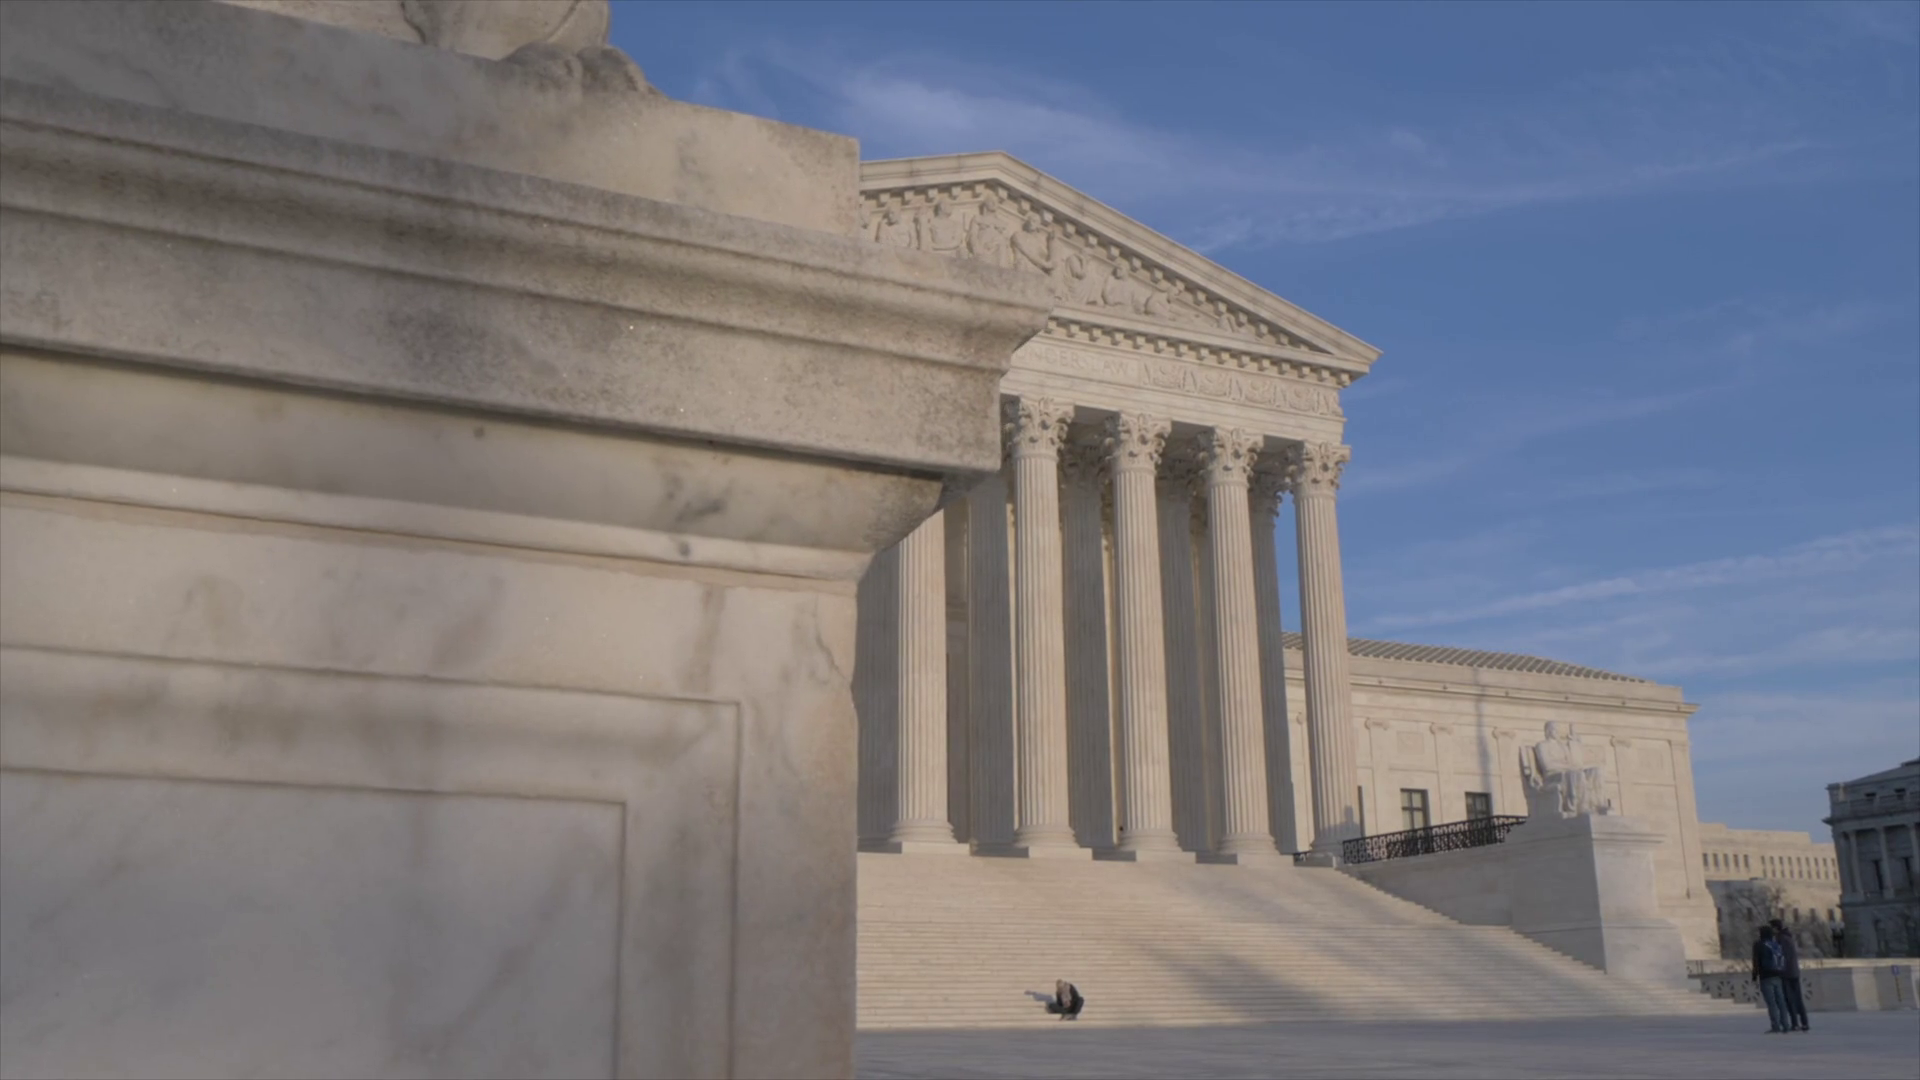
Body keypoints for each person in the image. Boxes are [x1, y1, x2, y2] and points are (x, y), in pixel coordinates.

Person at [1769, 918, 1810, 1031]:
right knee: (1798, 998)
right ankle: (1804, 1022)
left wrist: (1777, 969)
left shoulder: (1781, 939)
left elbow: (1781, 957)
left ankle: (1795, 1023)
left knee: (1790, 999)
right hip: (1794, 971)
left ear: (1775, 928)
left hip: (1786, 973)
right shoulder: (1789, 937)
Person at [1751, 925, 1791, 1033]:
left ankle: (1775, 1026)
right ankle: (1786, 1025)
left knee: (1772, 1003)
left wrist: (1754, 975)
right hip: (1778, 975)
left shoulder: (1758, 945)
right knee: (1781, 1002)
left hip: (1766, 977)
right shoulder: (1775, 944)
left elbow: (1756, 962)